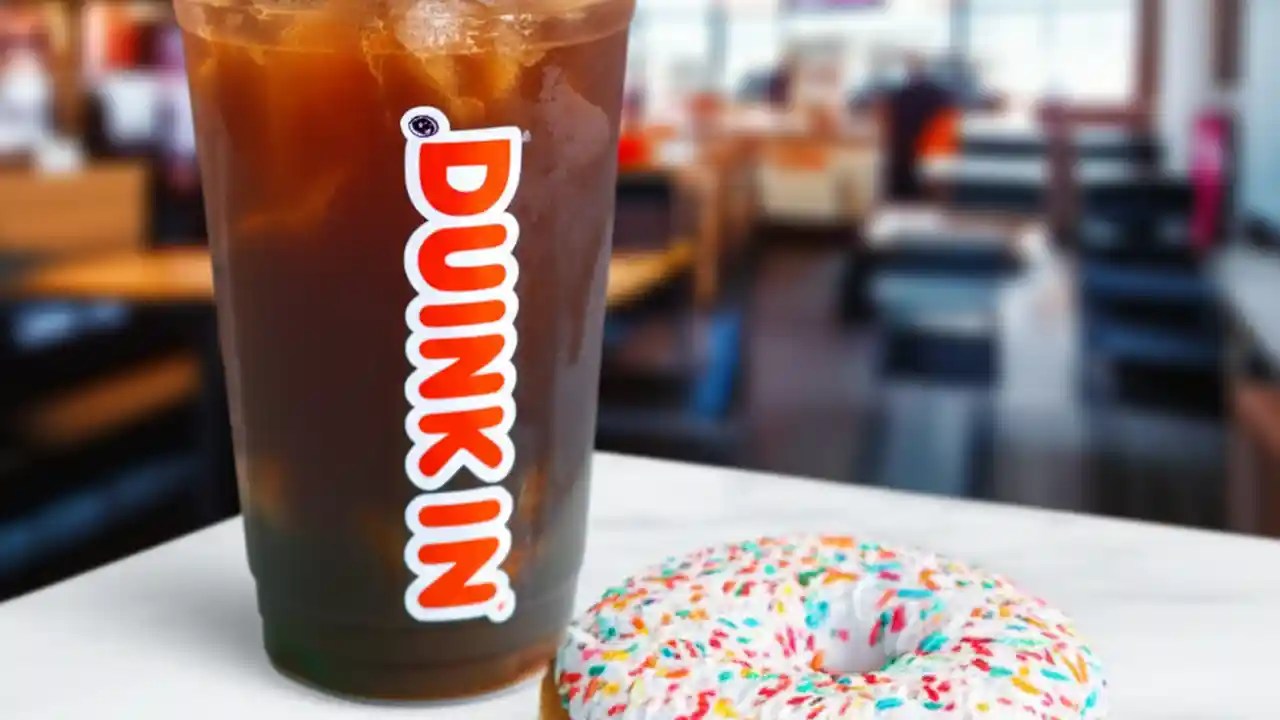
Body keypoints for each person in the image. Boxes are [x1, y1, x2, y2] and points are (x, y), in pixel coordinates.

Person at [882, 55, 955, 201]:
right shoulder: (939, 95)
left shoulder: (900, 95)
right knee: (924, 197)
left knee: (903, 197)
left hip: (906, 154)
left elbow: (890, 124)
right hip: (927, 154)